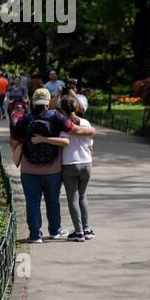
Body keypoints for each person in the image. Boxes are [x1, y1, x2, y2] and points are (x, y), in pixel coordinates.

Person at [10, 88, 96, 243]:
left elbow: (14, 141)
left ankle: (35, 235)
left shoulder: (25, 119)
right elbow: (75, 130)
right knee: (52, 200)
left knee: (32, 202)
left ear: (32, 101)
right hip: (53, 169)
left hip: (29, 170)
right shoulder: (56, 116)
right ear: (48, 103)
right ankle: (55, 230)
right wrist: (92, 131)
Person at [58, 95, 95, 241]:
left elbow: (63, 143)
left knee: (72, 198)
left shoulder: (63, 124)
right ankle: (87, 229)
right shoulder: (85, 122)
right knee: (83, 196)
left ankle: (78, 232)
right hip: (86, 162)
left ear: (62, 109)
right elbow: (90, 145)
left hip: (70, 163)